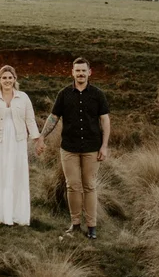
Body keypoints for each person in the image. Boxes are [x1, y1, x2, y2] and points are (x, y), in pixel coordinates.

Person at [39, 57, 110, 240]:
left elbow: (105, 120)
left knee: (89, 186)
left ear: (89, 72)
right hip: (68, 148)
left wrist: (104, 146)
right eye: (77, 71)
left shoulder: (97, 94)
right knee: (73, 186)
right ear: (72, 72)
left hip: (92, 148)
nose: (80, 74)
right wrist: (41, 136)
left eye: (83, 71)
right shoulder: (64, 94)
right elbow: (54, 117)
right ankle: (75, 224)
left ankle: (92, 227)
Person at [0, 65, 45, 225]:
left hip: (17, 142)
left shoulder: (23, 97)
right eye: (4, 78)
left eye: (10, 77)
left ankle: (16, 213)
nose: (7, 81)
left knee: (16, 174)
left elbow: (30, 119)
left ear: (15, 79)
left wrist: (37, 140)